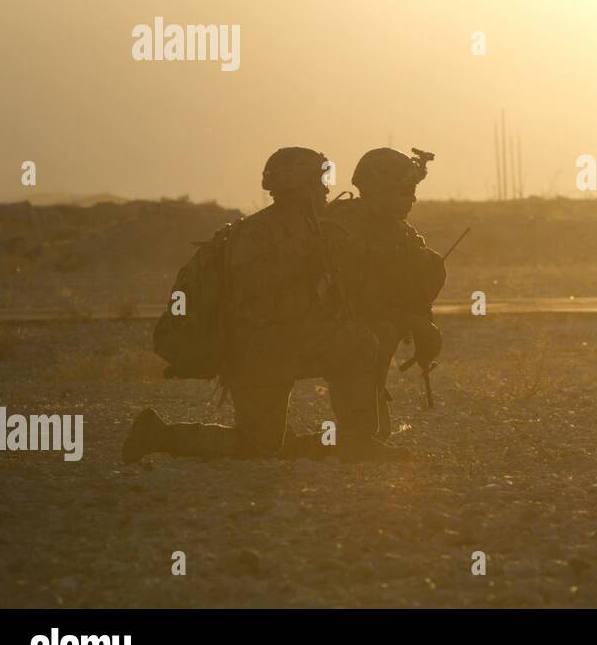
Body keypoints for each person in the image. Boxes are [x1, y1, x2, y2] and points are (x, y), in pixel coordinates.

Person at [124, 147, 408, 463]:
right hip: (258, 352)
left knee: (356, 343)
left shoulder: (302, 228)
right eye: (319, 182)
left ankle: (353, 441)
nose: (326, 190)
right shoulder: (264, 234)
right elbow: (260, 303)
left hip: (273, 347)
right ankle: (159, 435)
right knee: (259, 442)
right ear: (300, 187)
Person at [322, 147, 446, 439]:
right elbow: (350, 302)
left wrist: (419, 318)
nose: (412, 199)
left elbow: (416, 280)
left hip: (363, 331)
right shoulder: (344, 230)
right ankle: (354, 435)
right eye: (404, 191)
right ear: (379, 191)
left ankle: (360, 427)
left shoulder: (396, 231)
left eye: (412, 190)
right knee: (375, 334)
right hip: (317, 333)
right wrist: (413, 323)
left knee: (382, 332)